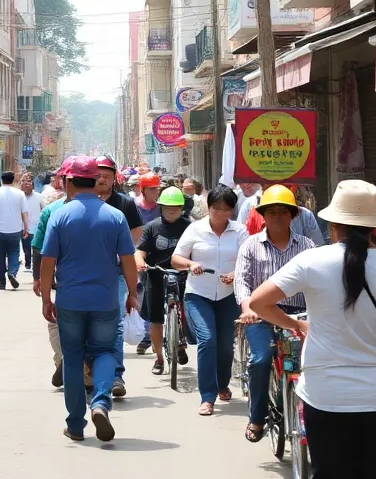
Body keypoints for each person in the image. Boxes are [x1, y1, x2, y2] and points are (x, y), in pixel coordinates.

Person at [249, 180, 376, 479]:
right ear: (374, 229)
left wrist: (297, 326)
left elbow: (258, 302)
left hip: (324, 393)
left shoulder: (312, 260)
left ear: (333, 225)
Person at [40, 156, 139, 442]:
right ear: (96, 182)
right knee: (105, 351)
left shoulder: (59, 215)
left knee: (72, 357)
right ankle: (100, 403)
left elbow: (48, 261)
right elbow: (128, 260)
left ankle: (75, 424)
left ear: (69, 182)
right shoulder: (114, 216)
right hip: (105, 299)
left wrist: (46, 297)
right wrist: (132, 293)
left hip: (70, 300)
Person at [234, 183, 317, 443]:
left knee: (314, 364)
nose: (278, 216)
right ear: (263, 215)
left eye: (284, 211)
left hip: (301, 317)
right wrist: (248, 308)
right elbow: (241, 281)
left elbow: (320, 280)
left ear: (293, 215)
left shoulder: (307, 245)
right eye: (272, 212)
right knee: (260, 360)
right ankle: (257, 418)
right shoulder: (250, 246)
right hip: (261, 316)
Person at [172, 185, 247, 414]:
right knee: (207, 340)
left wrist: (236, 274)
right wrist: (191, 264)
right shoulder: (195, 229)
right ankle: (207, 396)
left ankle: (222, 384)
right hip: (198, 294)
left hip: (228, 296)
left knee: (225, 345)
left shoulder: (241, 232)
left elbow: (249, 261)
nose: (220, 214)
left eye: (226, 209)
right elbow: (176, 258)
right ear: (209, 208)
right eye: (216, 208)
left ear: (232, 210)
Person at [95, 154, 145, 398]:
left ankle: (116, 375)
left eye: (106, 174)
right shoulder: (80, 201)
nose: (102, 178)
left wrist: (122, 255)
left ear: (115, 178)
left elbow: (136, 232)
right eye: (98, 174)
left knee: (114, 323)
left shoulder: (124, 204)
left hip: (116, 271)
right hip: (87, 273)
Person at [134, 186, 193, 375]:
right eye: (168, 207)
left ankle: (181, 343)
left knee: (185, 309)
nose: (172, 210)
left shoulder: (189, 227)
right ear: (160, 207)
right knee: (155, 319)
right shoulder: (152, 227)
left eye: (176, 206)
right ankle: (159, 358)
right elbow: (140, 251)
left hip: (183, 275)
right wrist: (140, 263)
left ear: (182, 207)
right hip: (155, 274)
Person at [33, 159, 76, 389]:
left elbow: (40, 248)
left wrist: (40, 282)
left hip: (65, 283)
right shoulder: (108, 212)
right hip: (93, 286)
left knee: (57, 324)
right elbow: (39, 247)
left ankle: (65, 361)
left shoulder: (53, 211)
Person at [0, 171, 29, 290]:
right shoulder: (20, 194)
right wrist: (26, 228)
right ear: (13, 179)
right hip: (15, 229)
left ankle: (1, 282)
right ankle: (12, 272)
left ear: (1, 179)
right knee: (14, 252)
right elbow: (24, 213)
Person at [21, 172, 44, 276]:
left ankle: (34, 265)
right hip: (23, 226)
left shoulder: (39, 197)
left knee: (35, 248)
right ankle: (27, 263)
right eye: (25, 185)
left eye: (29, 184)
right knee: (26, 247)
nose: (27, 186)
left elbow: (44, 209)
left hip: (36, 226)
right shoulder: (20, 197)